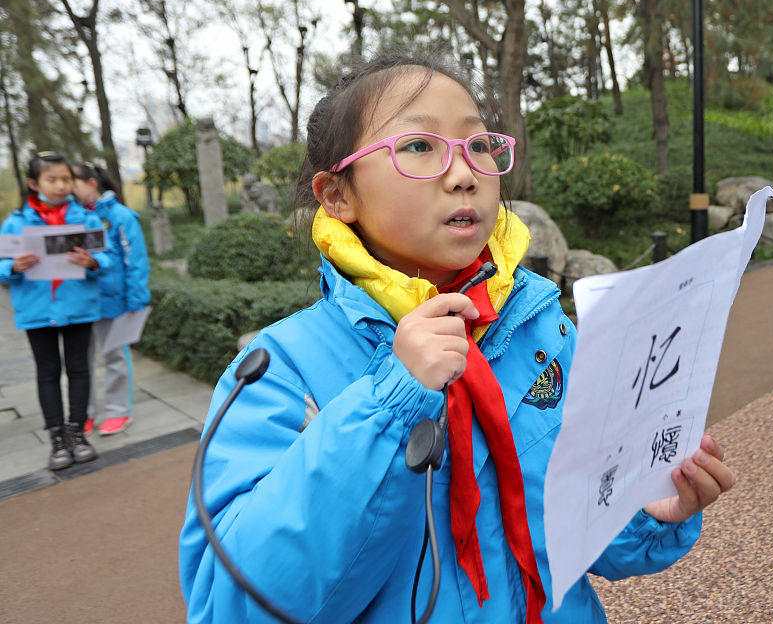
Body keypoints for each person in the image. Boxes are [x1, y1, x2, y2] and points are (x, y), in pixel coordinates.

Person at [178, 52, 736, 623]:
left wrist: (646, 511)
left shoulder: (539, 328)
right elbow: (236, 604)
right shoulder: (279, 370)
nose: (465, 173)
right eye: (419, 146)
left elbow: (580, 530)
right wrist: (390, 403)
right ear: (337, 195)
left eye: (478, 146)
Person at [0, 152, 111, 470]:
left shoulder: (87, 219)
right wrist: (13, 266)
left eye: (66, 179)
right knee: (47, 373)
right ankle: (57, 439)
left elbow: (108, 258)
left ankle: (78, 433)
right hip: (37, 310)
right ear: (34, 183)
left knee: (80, 370)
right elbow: (1, 267)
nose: (61, 186)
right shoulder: (16, 223)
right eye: (52, 179)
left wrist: (93, 262)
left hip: (78, 306)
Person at [72, 161, 150, 437]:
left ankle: (119, 411)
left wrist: (136, 300)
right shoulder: (73, 216)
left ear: (92, 183)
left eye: (74, 183)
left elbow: (136, 261)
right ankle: (85, 412)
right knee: (80, 361)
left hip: (113, 300)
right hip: (80, 300)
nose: (68, 190)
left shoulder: (120, 216)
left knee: (114, 356)